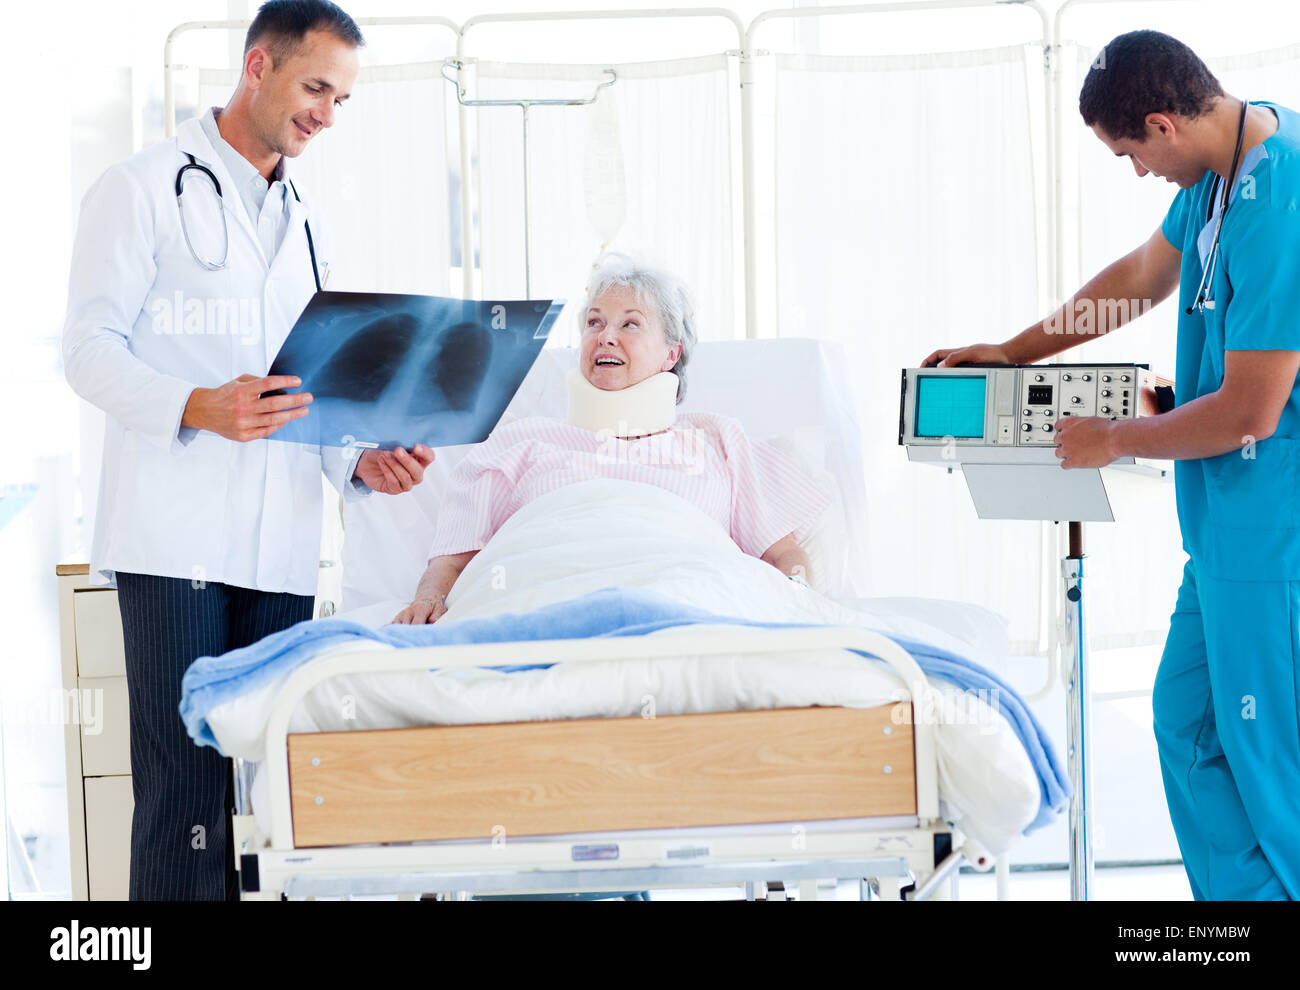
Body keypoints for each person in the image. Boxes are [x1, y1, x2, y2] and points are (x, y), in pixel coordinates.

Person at [62, 0, 435, 900]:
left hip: (280, 549)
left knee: (269, 788)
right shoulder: (142, 186)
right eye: (315, 87)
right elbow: (86, 350)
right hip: (173, 540)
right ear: (257, 67)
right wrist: (196, 404)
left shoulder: (308, 223)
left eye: (342, 100)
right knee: (182, 788)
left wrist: (357, 461)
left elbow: (307, 388)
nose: (326, 115)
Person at [923, 30, 1300, 899]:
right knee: (1188, 721)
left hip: (1274, 535)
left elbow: (1251, 410)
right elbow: (1139, 277)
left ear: (1163, 125)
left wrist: (1114, 438)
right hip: (1223, 534)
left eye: (1131, 153)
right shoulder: (1217, 178)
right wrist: (1015, 353)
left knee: (1275, 765)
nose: (1137, 173)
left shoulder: (1280, 201)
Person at [393, 256, 830, 625]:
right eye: (594, 322)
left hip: (688, 603)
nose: (605, 335)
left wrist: (800, 599)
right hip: (543, 599)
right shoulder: (518, 444)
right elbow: (451, 563)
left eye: (630, 324)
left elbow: (783, 556)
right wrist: (428, 602)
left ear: (671, 354)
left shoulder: (718, 442)